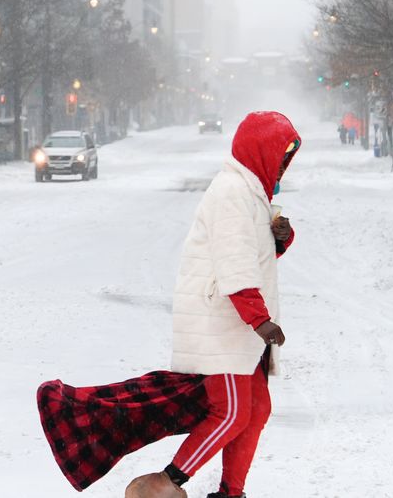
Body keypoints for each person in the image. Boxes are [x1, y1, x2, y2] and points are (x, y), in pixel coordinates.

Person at [124, 111, 300, 498]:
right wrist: (261, 321)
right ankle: (163, 485)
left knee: (255, 411)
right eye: (279, 155)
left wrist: (278, 239)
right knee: (233, 412)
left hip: (239, 329)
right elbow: (235, 268)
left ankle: (230, 492)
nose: (282, 166)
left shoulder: (252, 194)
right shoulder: (232, 193)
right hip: (221, 325)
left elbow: (250, 253)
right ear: (261, 152)